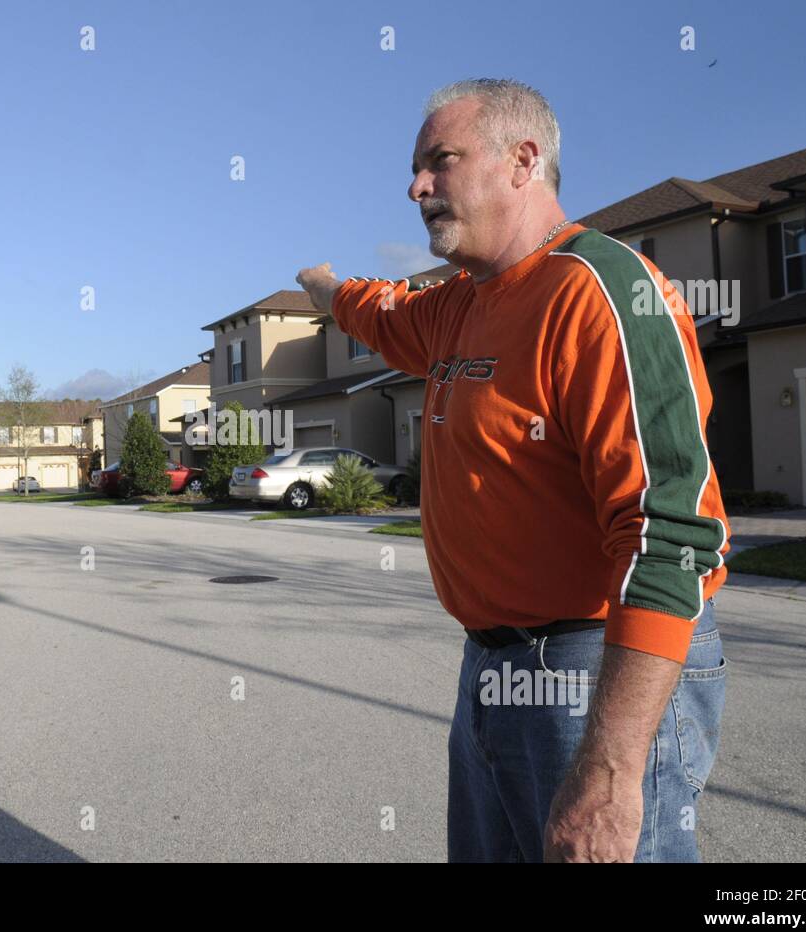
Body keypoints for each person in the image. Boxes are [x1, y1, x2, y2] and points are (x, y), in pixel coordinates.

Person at [296, 79, 731, 862]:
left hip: (595, 671)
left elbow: (670, 534)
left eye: (440, 161)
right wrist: (325, 288)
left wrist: (609, 767)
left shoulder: (605, 293)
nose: (415, 185)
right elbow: (380, 312)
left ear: (523, 159)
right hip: (490, 667)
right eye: (415, 168)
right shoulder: (459, 305)